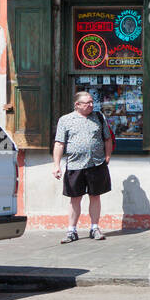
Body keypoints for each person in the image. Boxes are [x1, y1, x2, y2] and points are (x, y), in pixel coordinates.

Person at [52, 91, 115, 242]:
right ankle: (71, 231)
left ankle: (95, 228)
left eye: (92, 102)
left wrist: (107, 157)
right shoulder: (65, 120)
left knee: (95, 196)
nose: (91, 105)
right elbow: (59, 144)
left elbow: (107, 139)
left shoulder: (98, 117)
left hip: (96, 163)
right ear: (77, 105)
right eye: (88, 103)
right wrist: (56, 165)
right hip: (75, 164)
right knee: (75, 198)